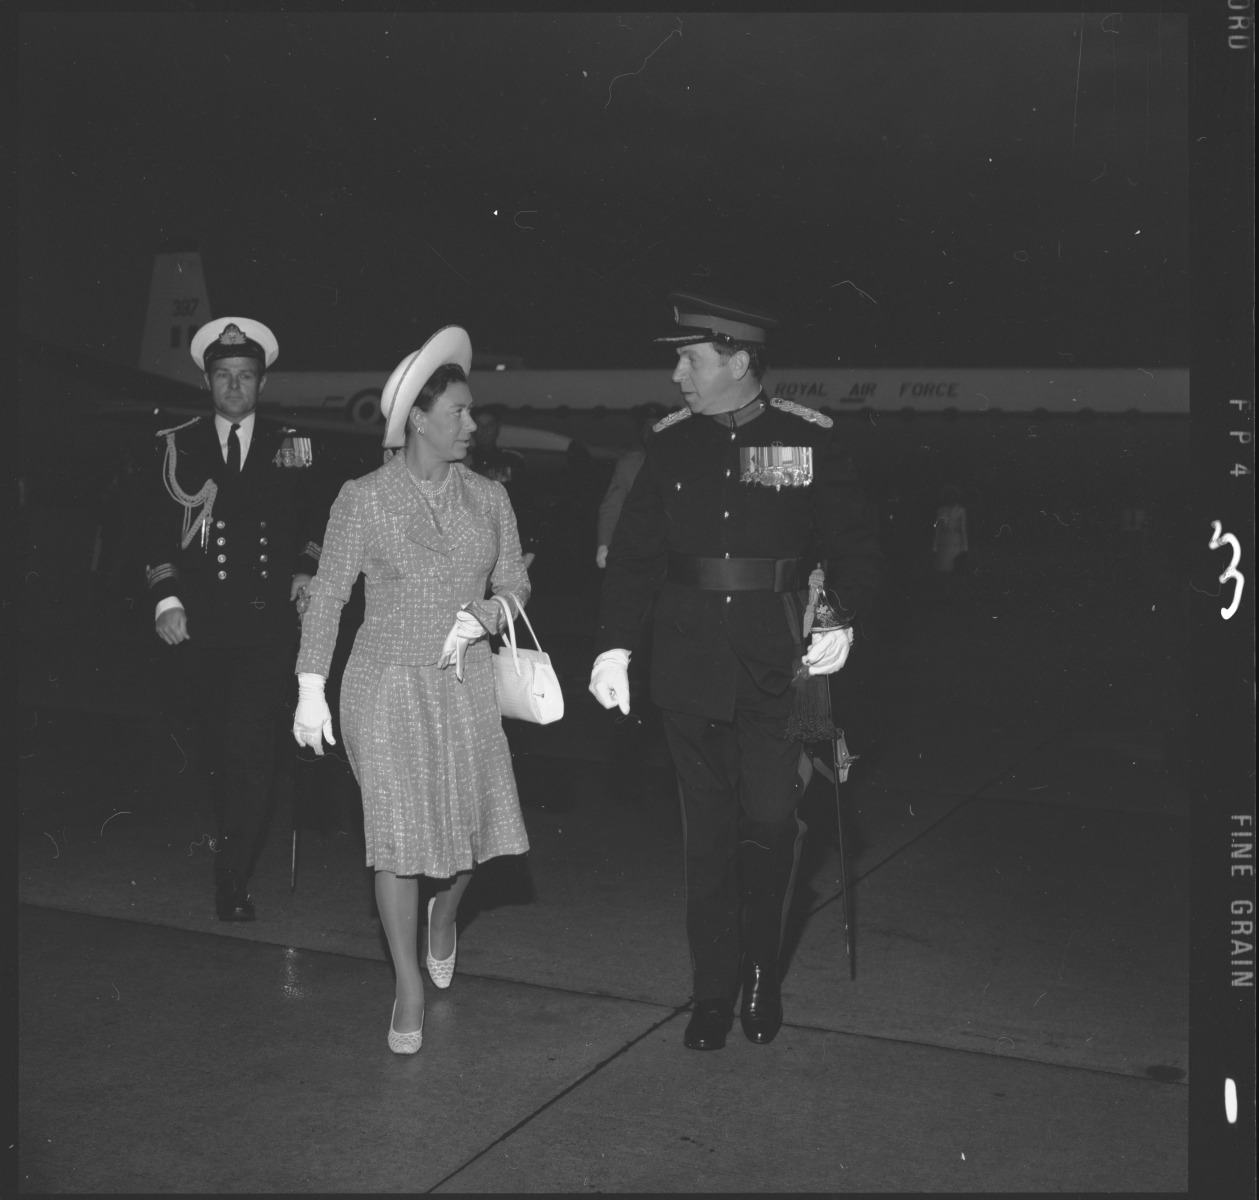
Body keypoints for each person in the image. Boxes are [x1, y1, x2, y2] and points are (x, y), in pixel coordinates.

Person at [588, 292, 885, 1050]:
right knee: (706, 839)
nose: (677, 372)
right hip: (687, 665)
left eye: (691, 358)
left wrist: (841, 617)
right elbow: (635, 556)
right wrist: (613, 646)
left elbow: (855, 544)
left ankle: (761, 975)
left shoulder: (805, 438)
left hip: (775, 664)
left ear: (740, 361)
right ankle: (712, 993)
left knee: (772, 825)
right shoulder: (668, 443)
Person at [291, 326, 531, 1055]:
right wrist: (309, 685)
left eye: (469, 412)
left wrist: (486, 615)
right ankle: (406, 985)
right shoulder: (361, 498)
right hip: (383, 685)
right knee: (395, 842)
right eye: (457, 411)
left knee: (464, 840)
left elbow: (514, 581)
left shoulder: (488, 499)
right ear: (418, 420)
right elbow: (329, 594)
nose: (470, 423)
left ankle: (441, 919)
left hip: (465, 683)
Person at [143, 317, 328, 921]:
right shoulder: (178, 442)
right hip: (200, 628)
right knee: (217, 750)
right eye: (223, 376)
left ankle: (233, 878)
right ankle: (232, 848)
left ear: (261, 382)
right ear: (207, 381)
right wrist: (166, 598)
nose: (234, 386)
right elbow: (151, 528)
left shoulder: (291, 442)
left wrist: (306, 569)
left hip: (266, 626)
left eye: (245, 377)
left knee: (249, 749)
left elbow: (313, 522)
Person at [595, 405, 668, 569]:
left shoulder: (681, 466)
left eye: (658, 427)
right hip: (638, 553)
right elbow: (611, 507)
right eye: (647, 428)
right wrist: (604, 546)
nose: (652, 432)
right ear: (640, 432)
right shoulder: (628, 465)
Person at [931, 484, 969, 596]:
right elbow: (937, 530)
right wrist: (934, 546)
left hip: (955, 542)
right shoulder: (941, 510)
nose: (950, 498)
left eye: (952, 496)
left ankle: (954, 593)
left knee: (954, 567)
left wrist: (965, 547)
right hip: (944, 542)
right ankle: (943, 592)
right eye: (948, 496)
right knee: (943, 568)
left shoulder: (961, 510)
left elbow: (963, 529)